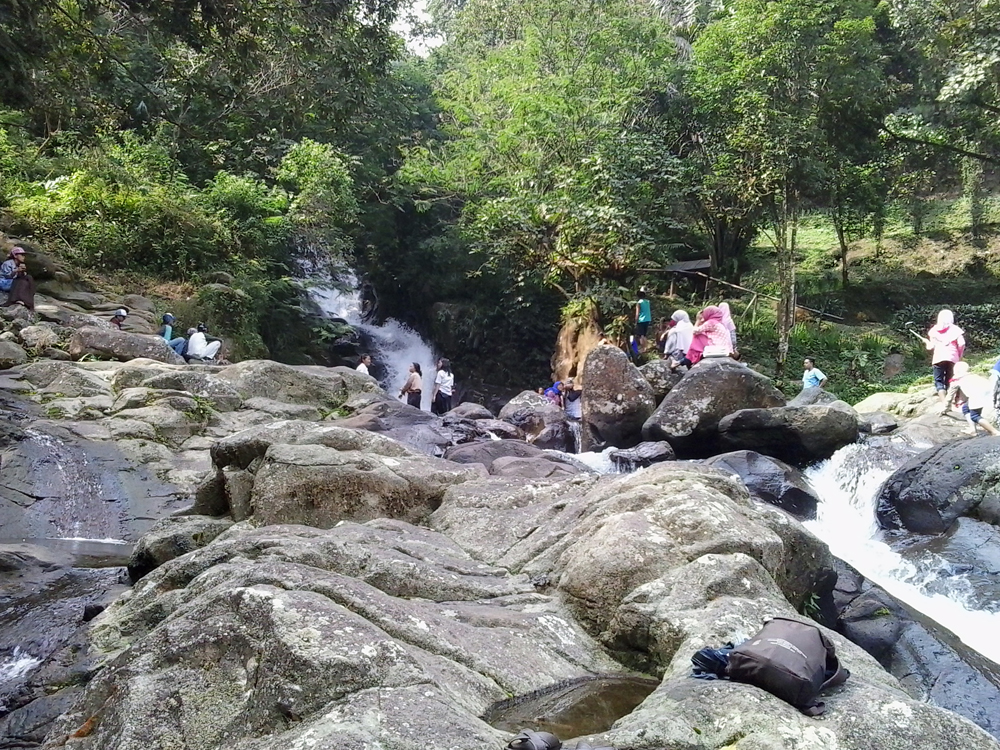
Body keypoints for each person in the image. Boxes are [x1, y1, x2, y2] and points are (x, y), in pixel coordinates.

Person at [915, 310, 965, 404]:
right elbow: (962, 343)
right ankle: (952, 401)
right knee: (950, 379)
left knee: (939, 381)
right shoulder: (955, 329)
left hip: (938, 358)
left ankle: (944, 402)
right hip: (952, 358)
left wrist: (926, 342)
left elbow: (931, 347)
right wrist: (959, 355)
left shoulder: (933, 331)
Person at [942, 361, 1000, 436]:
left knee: (975, 416)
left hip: (977, 395)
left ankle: (994, 431)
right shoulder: (973, 375)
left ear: (955, 370)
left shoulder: (956, 380)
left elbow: (949, 397)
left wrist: (944, 409)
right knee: (966, 408)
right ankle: (972, 429)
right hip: (989, 393)